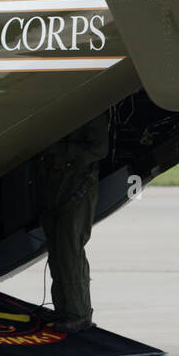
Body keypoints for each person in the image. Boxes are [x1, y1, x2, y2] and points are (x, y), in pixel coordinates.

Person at [37, 111, 111, 332]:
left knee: (70, 249)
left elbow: (99, 148)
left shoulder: (91, 106)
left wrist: (61, 152)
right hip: (55, 181)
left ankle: (78, 312)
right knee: (57, 250)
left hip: (78, 182)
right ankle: (64, 308)